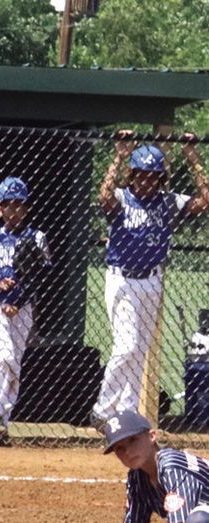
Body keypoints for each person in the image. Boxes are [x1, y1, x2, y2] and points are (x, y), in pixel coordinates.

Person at [93, 133, 209, 425]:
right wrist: (118, 156)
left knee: (140, 352)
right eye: (141, 176)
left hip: (152, 282)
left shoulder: (167, 202)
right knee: (127, 347)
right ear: (132, 176)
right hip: (122, 280)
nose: (146, 182)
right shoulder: (123, 197)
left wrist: (192, 157)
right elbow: (103, 196)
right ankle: (103, 410)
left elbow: (205, 200)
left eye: (153, 177)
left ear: (161, 179)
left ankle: (128, 414)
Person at [0, 177, 52, 444]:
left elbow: (43, 276)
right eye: (8, 205)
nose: (14, 211)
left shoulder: (37, 238)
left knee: (14, 364)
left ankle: (0, 425)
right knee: (4, 355)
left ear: (26, 208)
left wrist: (18, 299)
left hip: (22, 308)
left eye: (19, 205)